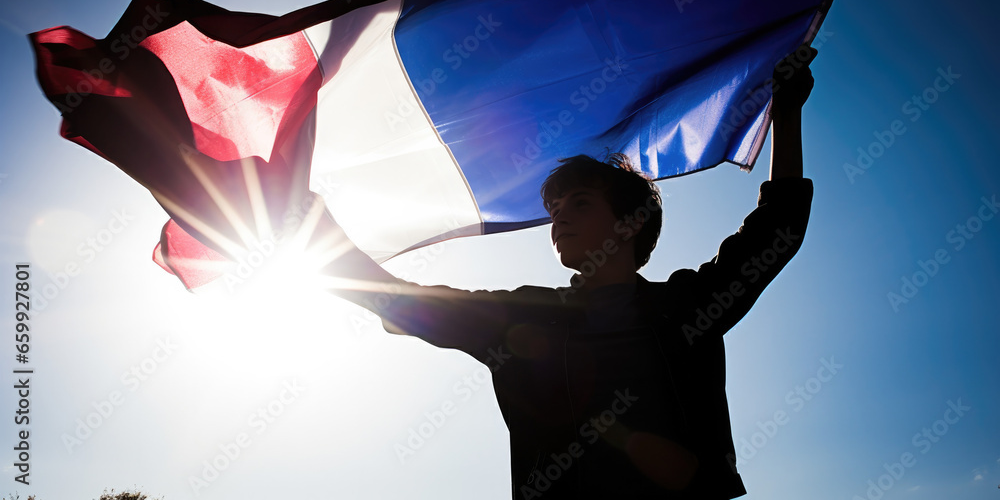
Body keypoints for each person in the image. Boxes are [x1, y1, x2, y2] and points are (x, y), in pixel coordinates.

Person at [307, 44, 818, 499]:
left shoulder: (688, 305)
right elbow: (396, 299)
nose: (560, 218)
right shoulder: (519, 315)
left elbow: (778, 230)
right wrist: (305, 222)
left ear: (630, 222)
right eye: (555, 210)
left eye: (579, 203)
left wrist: (787, 112)